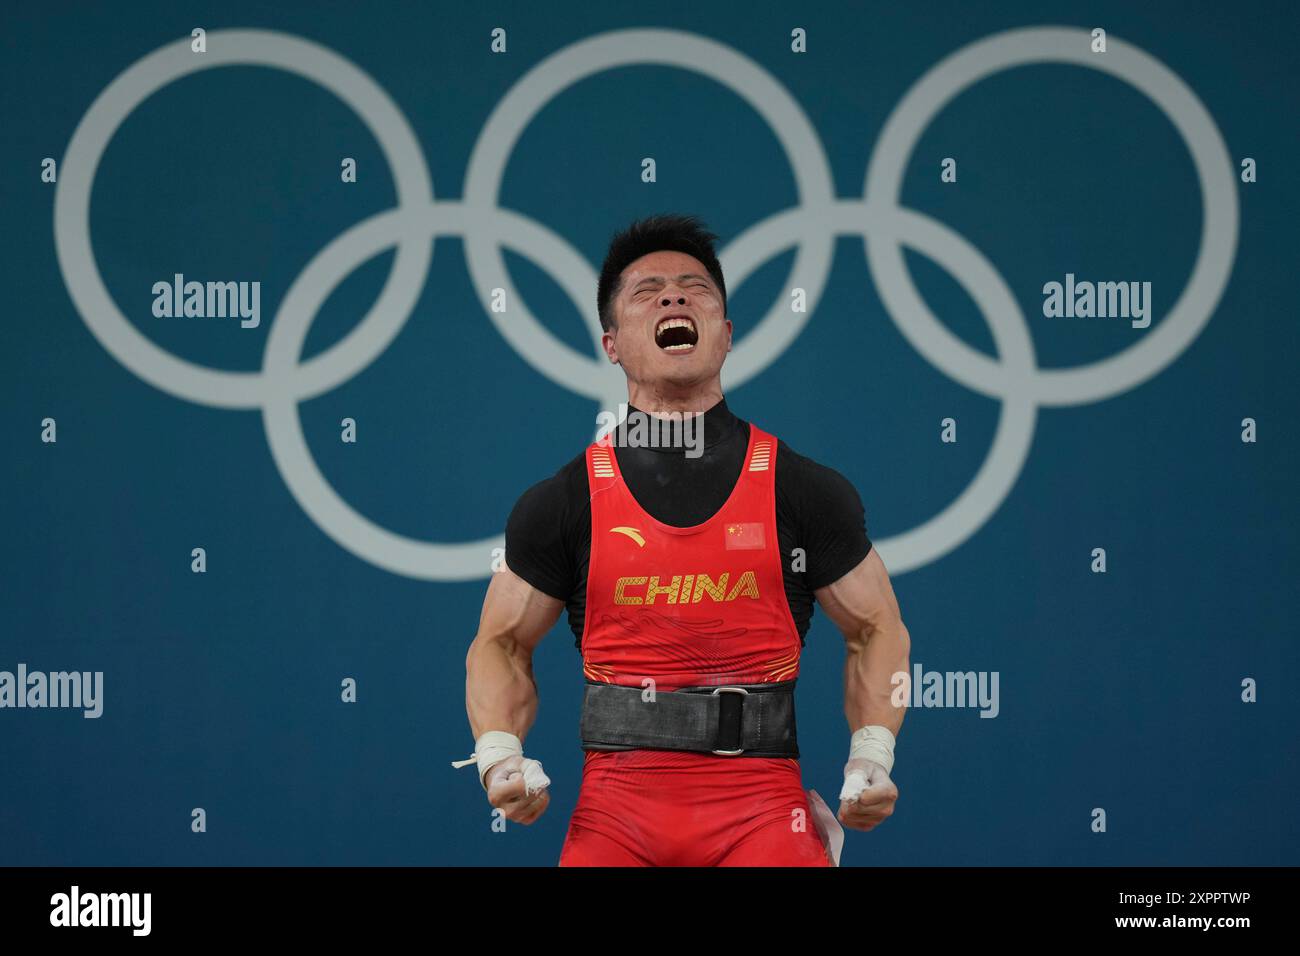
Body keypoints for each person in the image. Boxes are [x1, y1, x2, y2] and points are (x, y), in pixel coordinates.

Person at [458, 213, 911, 866]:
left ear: (725, 335)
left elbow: (877, 628)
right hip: (616, 815)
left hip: (762, 808)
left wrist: (872, 756)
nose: (673, 296)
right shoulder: (564, 504)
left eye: (694, 287)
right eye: (647, 290)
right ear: (612, 343)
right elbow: (499, 643)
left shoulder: (803, 491)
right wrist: (499, 758)